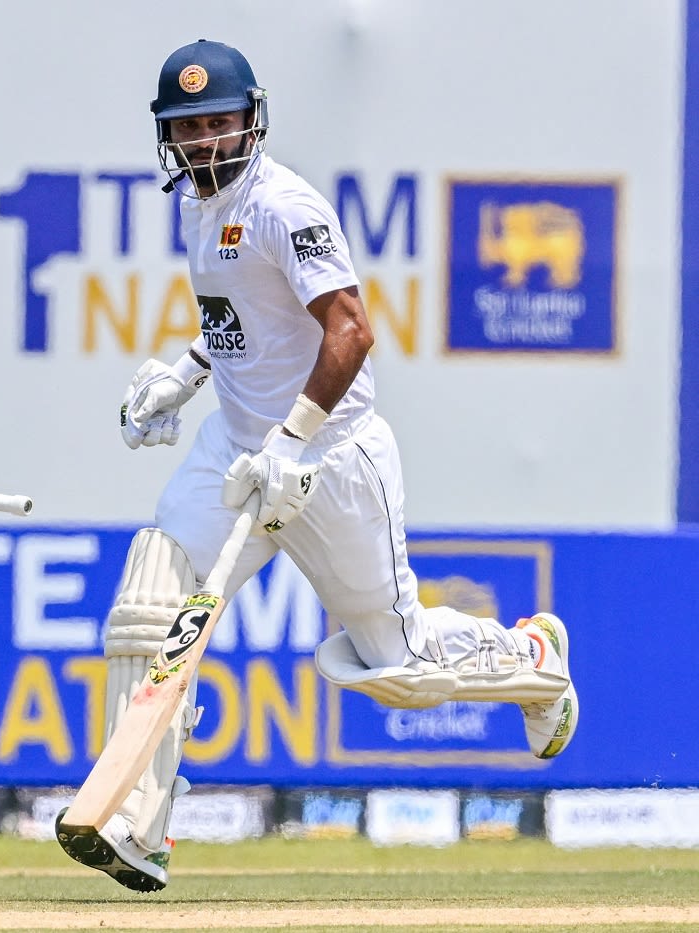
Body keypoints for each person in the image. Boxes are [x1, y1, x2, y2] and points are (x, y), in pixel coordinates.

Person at [56, 39, 579, 892]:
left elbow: (349, 329)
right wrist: (187, 377)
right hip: (234, 443)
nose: (205, 142)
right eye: (188, 127)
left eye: (220, 123)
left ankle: (532, 659)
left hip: (330, 452)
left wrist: (293, 442)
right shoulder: (198, 202)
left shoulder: (284, 205)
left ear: (251, 121)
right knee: (153, 591)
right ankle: (134, 823)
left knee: (398, 665)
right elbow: (247, 318)